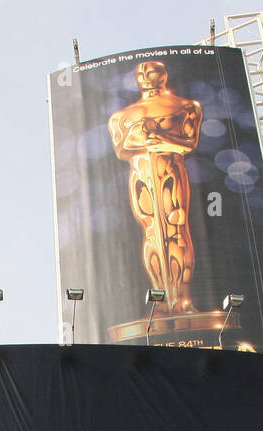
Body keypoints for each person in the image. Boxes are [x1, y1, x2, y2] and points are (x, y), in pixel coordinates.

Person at [108, 61, 203, 315]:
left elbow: (189, 142)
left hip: (170, 170)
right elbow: (122, 149)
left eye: (151, 72)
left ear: (163, 75)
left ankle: (182, 298)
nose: (145, 76)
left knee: (177, 228)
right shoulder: (121, 116)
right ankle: (161, 300)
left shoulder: (186, 107)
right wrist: (145, 138)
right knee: (151, 232)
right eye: (142, 73)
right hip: (141, 174)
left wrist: (156, 136)